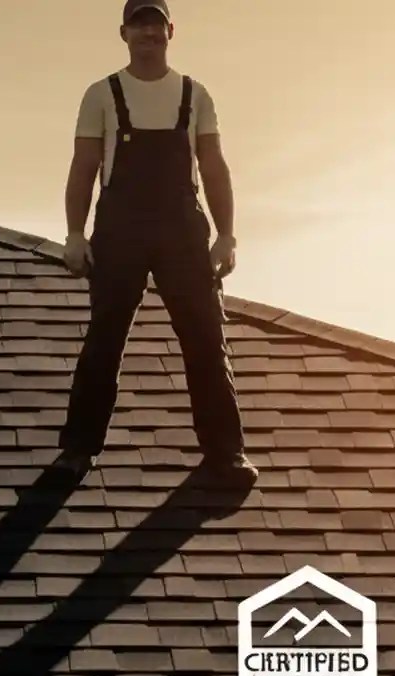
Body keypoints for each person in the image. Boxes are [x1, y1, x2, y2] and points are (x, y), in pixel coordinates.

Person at [54, 0, 258, 483]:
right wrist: (75, 234)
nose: (148, 32)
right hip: (120, 230)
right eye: (139, 24)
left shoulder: (195, 94)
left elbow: (214, 167)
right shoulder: (101, 95)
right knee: (104, 338)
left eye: (156, 24)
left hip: (182, 231)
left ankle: (226, 454)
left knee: (205, 337)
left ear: (171, 31)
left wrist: (227, 235)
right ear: (123, 32)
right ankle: (77, 451)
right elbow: (84, 168)